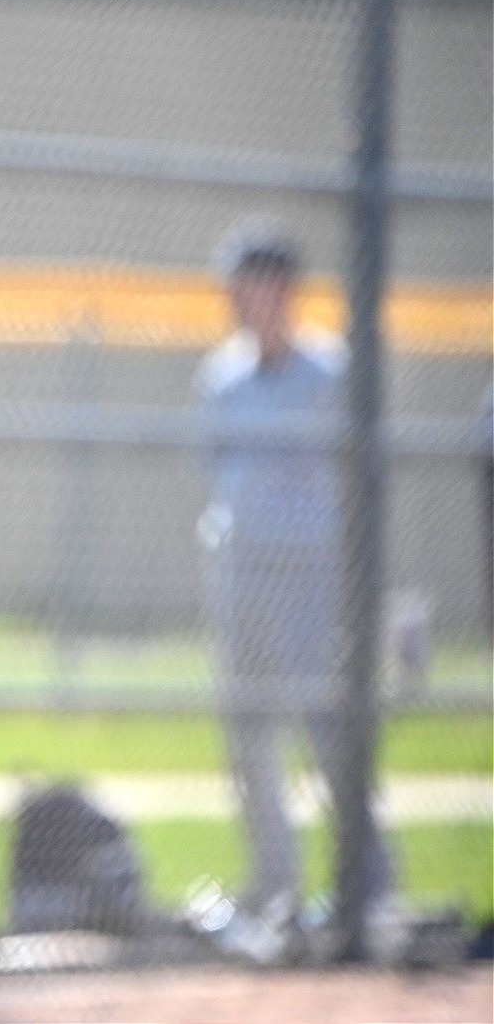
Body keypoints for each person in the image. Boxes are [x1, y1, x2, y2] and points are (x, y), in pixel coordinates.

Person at [195, 224, 391, 942]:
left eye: (249, 281)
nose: (237, 297)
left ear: (282, 288)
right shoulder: (221, 374)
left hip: (312, 572)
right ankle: (273, 885)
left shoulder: (330, 372)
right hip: (238, 568)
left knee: (328, 729)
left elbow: (361, 484)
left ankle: (369, 885)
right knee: (246, 734)